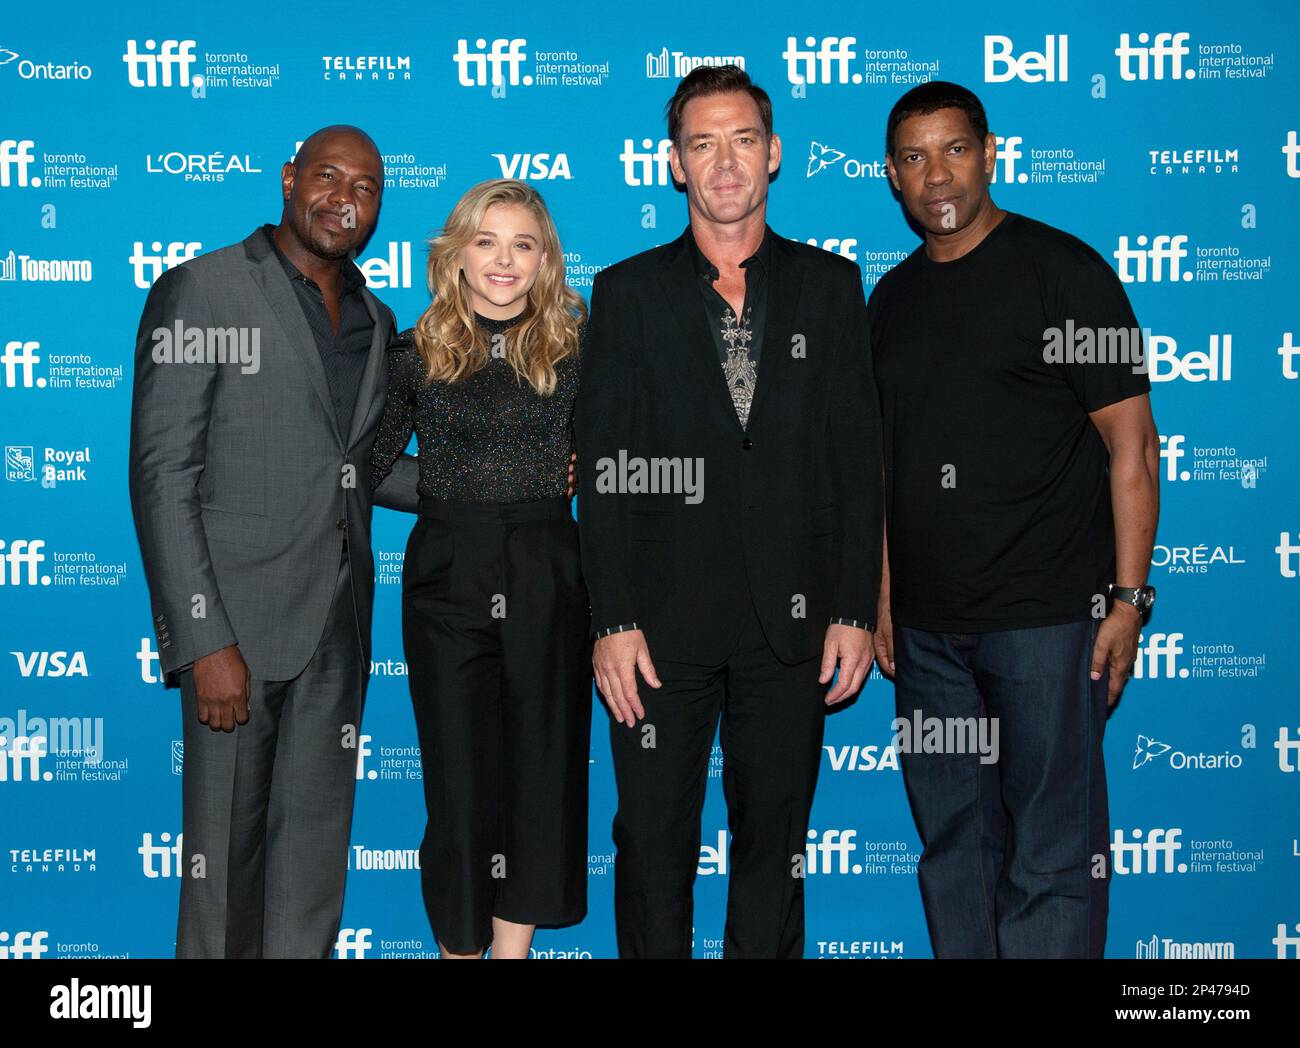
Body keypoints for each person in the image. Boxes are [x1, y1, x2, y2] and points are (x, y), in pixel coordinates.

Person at [576, 64, 883, 959]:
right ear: (674, 164)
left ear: (774, 153)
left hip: (792, 624)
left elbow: (857, 462)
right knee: (652, 847)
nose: (724, 161)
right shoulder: (628, 292)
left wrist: (856, 607)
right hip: (661, 630)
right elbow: (602, 471)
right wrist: (615, 618)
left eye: (742, 139)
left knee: (774, 848)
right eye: (702, 143)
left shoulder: (831, 286)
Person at [868, 81, 1161, 958]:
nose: (937, 175)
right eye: (914, 158)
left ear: (990, 153)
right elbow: (884, 470)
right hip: (928, 637)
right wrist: (883, 597)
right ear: (892, 176)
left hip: (1046, 629)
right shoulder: (890, 302)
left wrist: (1127, 600)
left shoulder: (1064, 272)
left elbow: (1133, 449)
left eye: (954, 149)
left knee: (1054, 855)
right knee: (955, 848)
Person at [128, 125, 420, 958]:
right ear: (290, 180)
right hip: (237, 636)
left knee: (311, 869)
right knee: (222, 869)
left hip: (337, 629)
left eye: (366, 189)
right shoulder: (204, 291)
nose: (345, 199)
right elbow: (162, 474)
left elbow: (362, 467)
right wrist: (203, 640)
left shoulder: (376, 316)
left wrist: (510, 479)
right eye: (328, 177)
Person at [371, 179, 590, 959]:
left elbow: (616, 458)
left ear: (544, 260)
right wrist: (448, 491)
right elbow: (367, 464)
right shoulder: (414, 352)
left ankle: (512, 954)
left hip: (546, 568)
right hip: (448, 571)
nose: (504, 260)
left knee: (541, 770)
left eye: (522, 244)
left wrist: (572, 475)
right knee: (460, 788)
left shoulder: (576, 345)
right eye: (487, 241)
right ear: (458, 252)